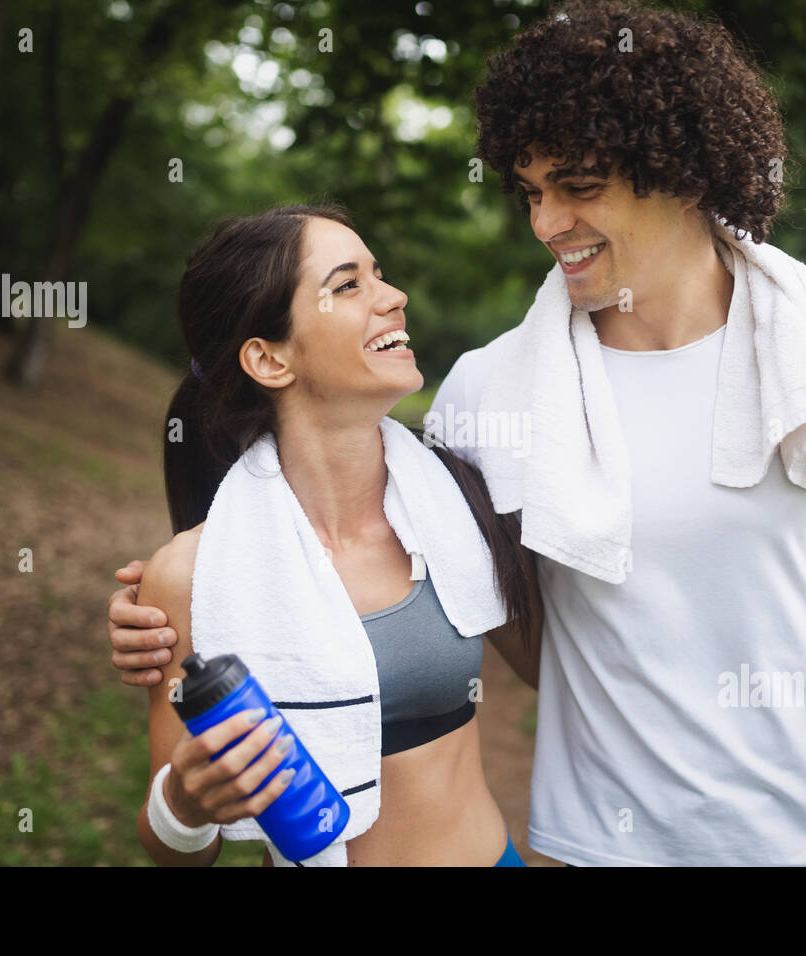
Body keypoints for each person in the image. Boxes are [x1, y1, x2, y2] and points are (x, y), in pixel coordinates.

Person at [107, 0, 806, 869]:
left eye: (578, 189)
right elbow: (510, 628)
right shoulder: (486, 399)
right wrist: (176, 605)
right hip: (605, 851)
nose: (545, 224)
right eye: (531, 192)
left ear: (686, 172)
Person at [132, 204, 546, 866]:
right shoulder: (190, 576)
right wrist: (184, 802)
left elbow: (567, 669)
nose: (394, 297)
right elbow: (176, 853)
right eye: (348, 284)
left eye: (379, 275)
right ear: (268, 359)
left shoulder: (461, 505)